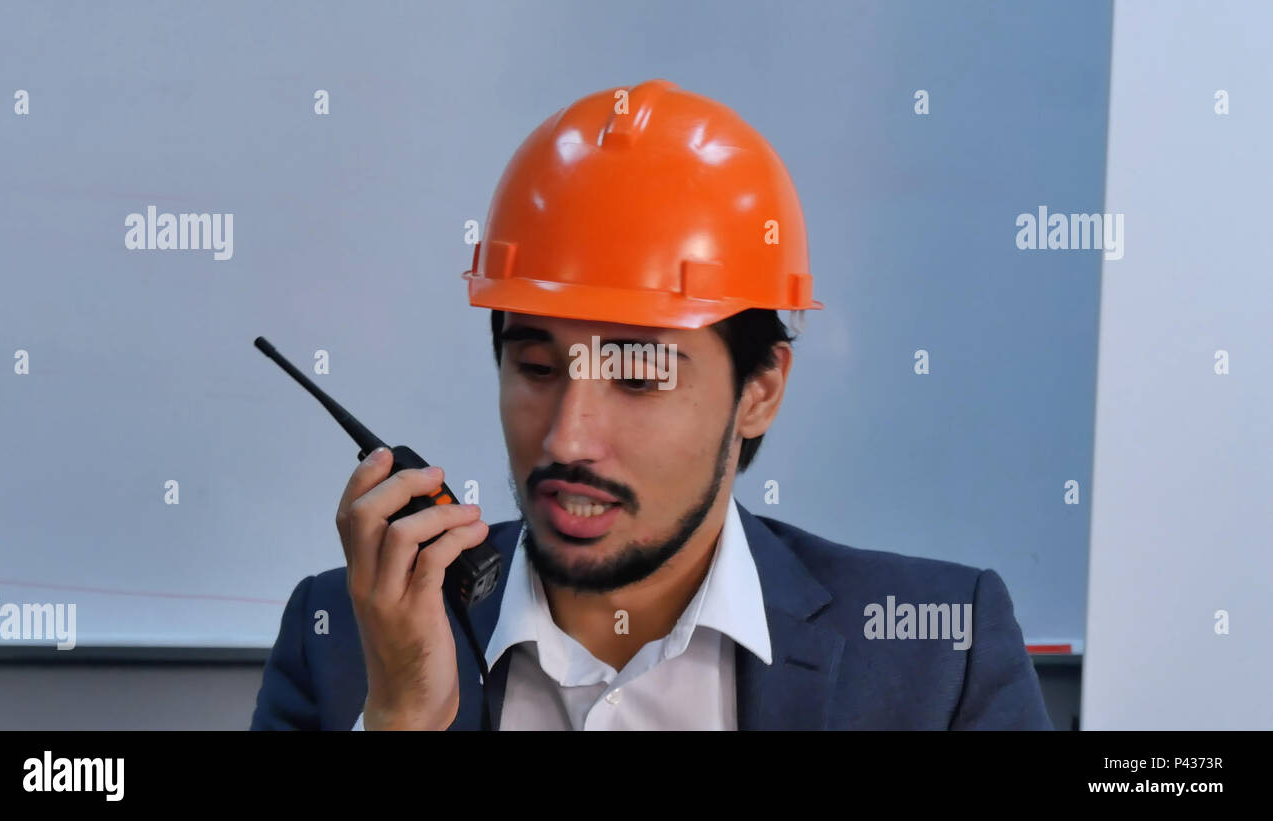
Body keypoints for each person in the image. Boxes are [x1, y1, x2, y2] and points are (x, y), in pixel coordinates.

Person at [250, 79, 1052, 731]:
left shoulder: (938, 654)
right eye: (535, 365)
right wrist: (399, 720)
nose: (568, 436)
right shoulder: (341, 642)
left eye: (636, 376)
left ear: (760, 390)